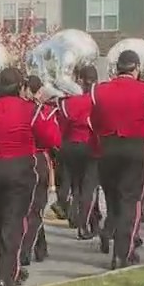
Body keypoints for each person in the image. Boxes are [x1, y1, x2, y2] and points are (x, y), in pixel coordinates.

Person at [0, 68, 61, 286]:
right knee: (15, 221)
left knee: (4, 218)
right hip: (20, 167)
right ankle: (6, 273)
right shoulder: (30, 109)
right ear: (21, 87)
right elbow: (51, 138)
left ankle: (11, 266)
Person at [90, 49, 144, 268]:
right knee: (131, 202)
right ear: (136, 68)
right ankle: (123, 252)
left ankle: (112, 234)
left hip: (107, 148)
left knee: (113, 200)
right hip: (135, 148)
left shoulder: (98, 90)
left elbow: (93, 122)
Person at [58, 65, 100, 238]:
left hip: (70, 145)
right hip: (90, 145)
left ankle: (76, 216)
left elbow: (62, 126)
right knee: (89, 187)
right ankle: (83, 224)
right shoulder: (98, 101)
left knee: (75, 184)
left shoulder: (68, 102)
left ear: (80, 81)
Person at [23, 76, 58, 263]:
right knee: (36, 206)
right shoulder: (40, 111)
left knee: (28, 206)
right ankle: (26, 248)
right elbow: (51, 139)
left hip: (14, 159)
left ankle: (40, 246)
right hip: (36, 158)